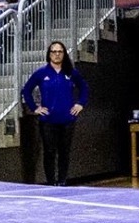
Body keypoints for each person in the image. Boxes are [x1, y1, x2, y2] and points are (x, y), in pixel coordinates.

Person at [21, 41, 89, 186]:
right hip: (48, 120)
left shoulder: (71, 73)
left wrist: (80, 104)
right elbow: (26, 90)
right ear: (49, 54)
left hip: (67, 119)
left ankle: (62, 180)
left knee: (64, 152)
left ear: (64, 54)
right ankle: (51, 181)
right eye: (54, 51)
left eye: (60, 52)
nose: (57, 54)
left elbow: (84, 88)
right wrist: (35, 108)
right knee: (49, 152)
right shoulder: (41, 73)